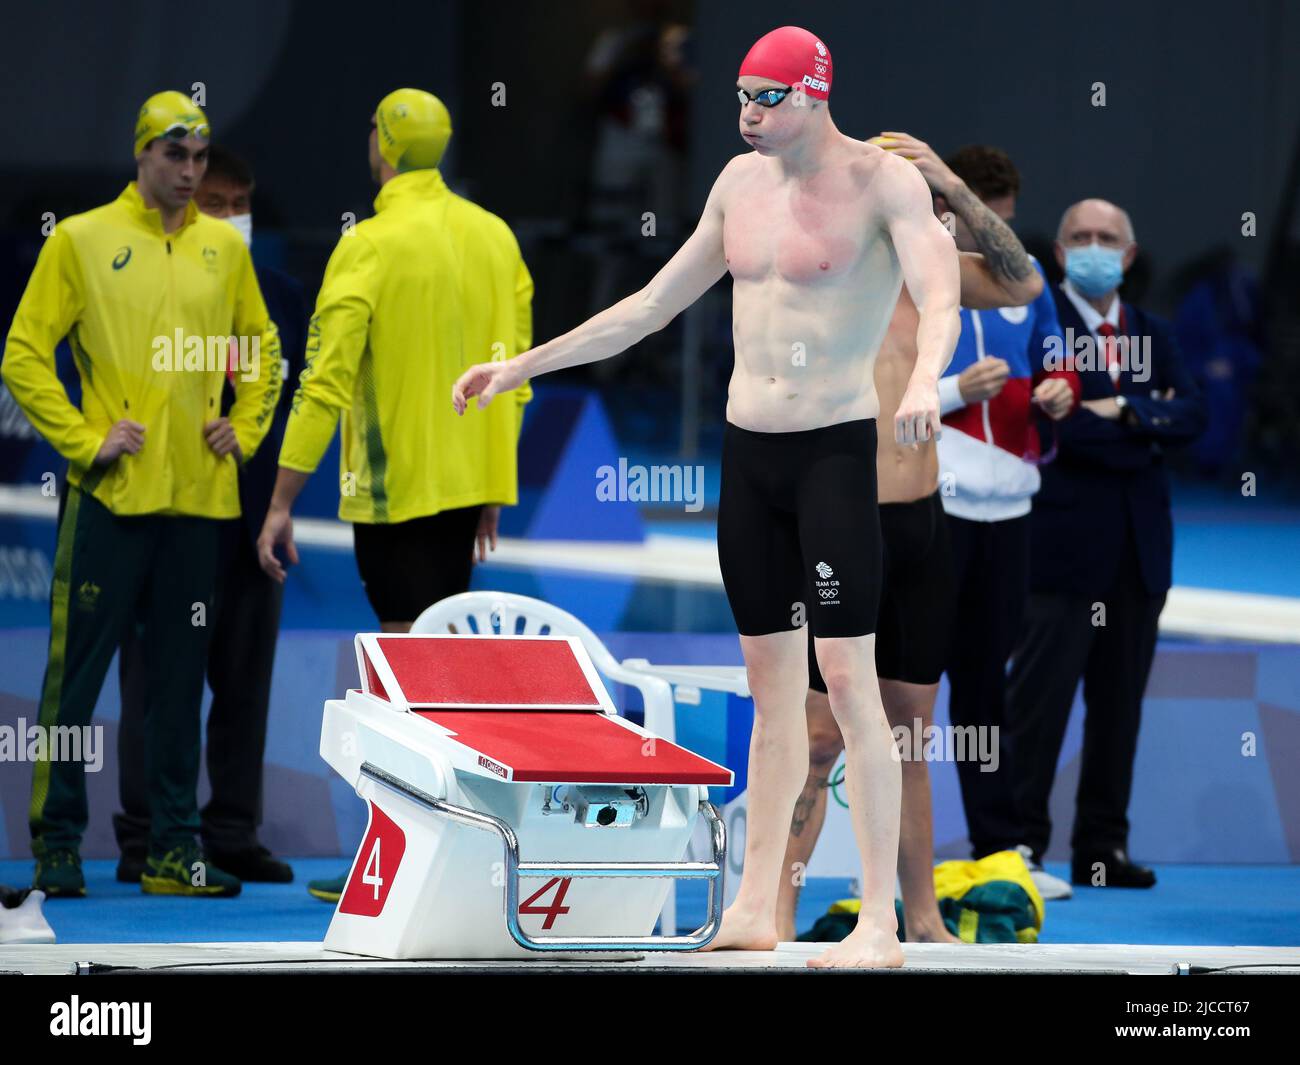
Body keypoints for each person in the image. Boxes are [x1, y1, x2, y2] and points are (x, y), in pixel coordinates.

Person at [454, 27, 961, 969]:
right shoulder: (737, 184)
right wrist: (522, 365)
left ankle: (881, 924)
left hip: (833, 458)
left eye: (765, 98)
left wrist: (928, 378)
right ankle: (755, 907)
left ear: (814, 95)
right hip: (750, 460)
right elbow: (649, 305)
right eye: (740, 95)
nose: (746, 114)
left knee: (851, 687)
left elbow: (939, 295)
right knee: (772, 697)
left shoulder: (882, 183)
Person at [774, 133, 1058, 942]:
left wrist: (953, 185)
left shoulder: (935, 274)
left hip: (922, 526)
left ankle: (923, 916)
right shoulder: (830, 273)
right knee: (822, 737)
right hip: (842, 525)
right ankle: (781, 913)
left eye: (924, 195)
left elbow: (1025, 280)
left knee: (908, 733)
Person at [254, 89, 533, 902]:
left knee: (409, 681)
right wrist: (492, 482)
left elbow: (326, 378)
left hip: (394, 492)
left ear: (382, 144)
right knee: (437, 673)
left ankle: (399, 860)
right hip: (464, 490)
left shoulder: (368, 244)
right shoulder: (495, 236)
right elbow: (513, 372)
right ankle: (431, 856)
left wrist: (281, 498)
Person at [2, 91, 282, 897]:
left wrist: (245, 423)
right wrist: (88, 440)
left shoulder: (223, 253)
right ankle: (56, 844)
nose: (191, 173)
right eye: (175, 157)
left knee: (176, 681)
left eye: (199, 159)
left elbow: (261, 347)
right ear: (142, 155)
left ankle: (172, 846)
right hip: (109, 499)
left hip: (198, 503)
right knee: (76, 675)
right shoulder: (84, 241)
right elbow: (23, 353)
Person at [113, 145, 307, 885]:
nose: (231, 216)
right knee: (159, 683)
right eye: (216, 203)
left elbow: (295, 409)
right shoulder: (148, 288)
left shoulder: (284, 296)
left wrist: (282, 506)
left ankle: (231, 830)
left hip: (255, 523)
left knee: (244, 681)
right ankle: (145, 836)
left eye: (240, 204)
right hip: (168, 520)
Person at [1004, 198, 1207, 888]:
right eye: (1080, 237)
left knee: (1118, 709)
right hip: (1061, 554)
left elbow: (1194, 416)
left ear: (1129, 255)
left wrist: (1121, 408)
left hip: (1139, 556)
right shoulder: (1042, 323)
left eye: (1107, 238)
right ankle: (1020, 844)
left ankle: (1102, 848)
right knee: (1039, 704)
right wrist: (1141, 430)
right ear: (1059, 254)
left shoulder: (1156, 331)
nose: (1094, 246)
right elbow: (1050, 423)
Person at [936, 145, 1079, 901]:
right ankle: (894, 852)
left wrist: (1059, 391)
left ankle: (1000, 848)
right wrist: (951, 386)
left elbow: (1060, 362)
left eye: (1006, 220)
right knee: (909, 686)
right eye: (981, 216)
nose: (996, 230)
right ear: (948, 209)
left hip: (1011, 506)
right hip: (937, 503)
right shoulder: (919, 273)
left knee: (987, 686)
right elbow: (874, 385)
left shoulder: (1028, 285)